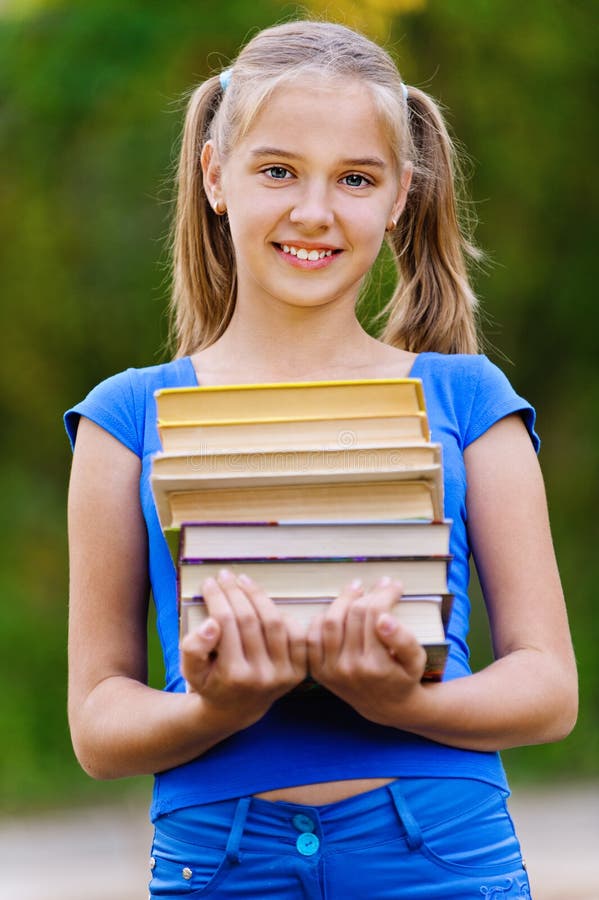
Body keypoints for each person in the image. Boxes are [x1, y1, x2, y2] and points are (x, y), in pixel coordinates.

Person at [64, 20, 577, 899]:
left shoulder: (466, 397)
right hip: (218, 859)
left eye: (354, 179)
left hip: (440, 854)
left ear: (400, 195)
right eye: (277, 170)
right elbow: (98, 724)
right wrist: (217, 706)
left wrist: (403, 704)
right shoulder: (126, 415)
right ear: (214, 175)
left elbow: (548, 689)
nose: (314, 210)